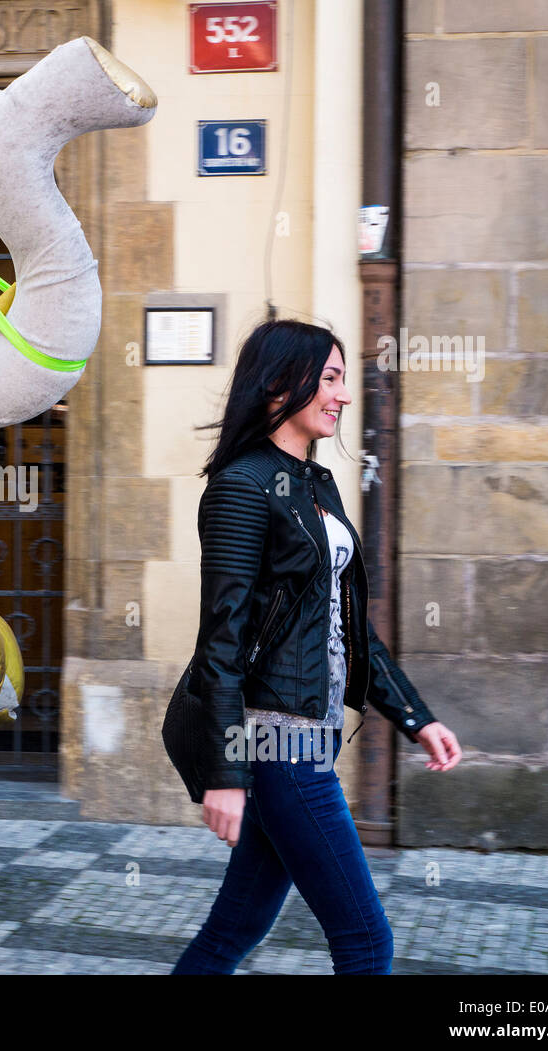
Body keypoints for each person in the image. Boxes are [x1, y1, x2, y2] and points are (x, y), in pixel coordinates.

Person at [171, 319, 462, 975]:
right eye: (329, 378)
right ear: (281, 383)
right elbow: (223, 637)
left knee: (231, 932)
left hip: (312, 735)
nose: (343, 394)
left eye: (340, 378)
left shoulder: (315, 484)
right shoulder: (241, 486)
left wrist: (417, 716)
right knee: (365, 941)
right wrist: (225, 771)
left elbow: (350, 628)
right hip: (278, 743)